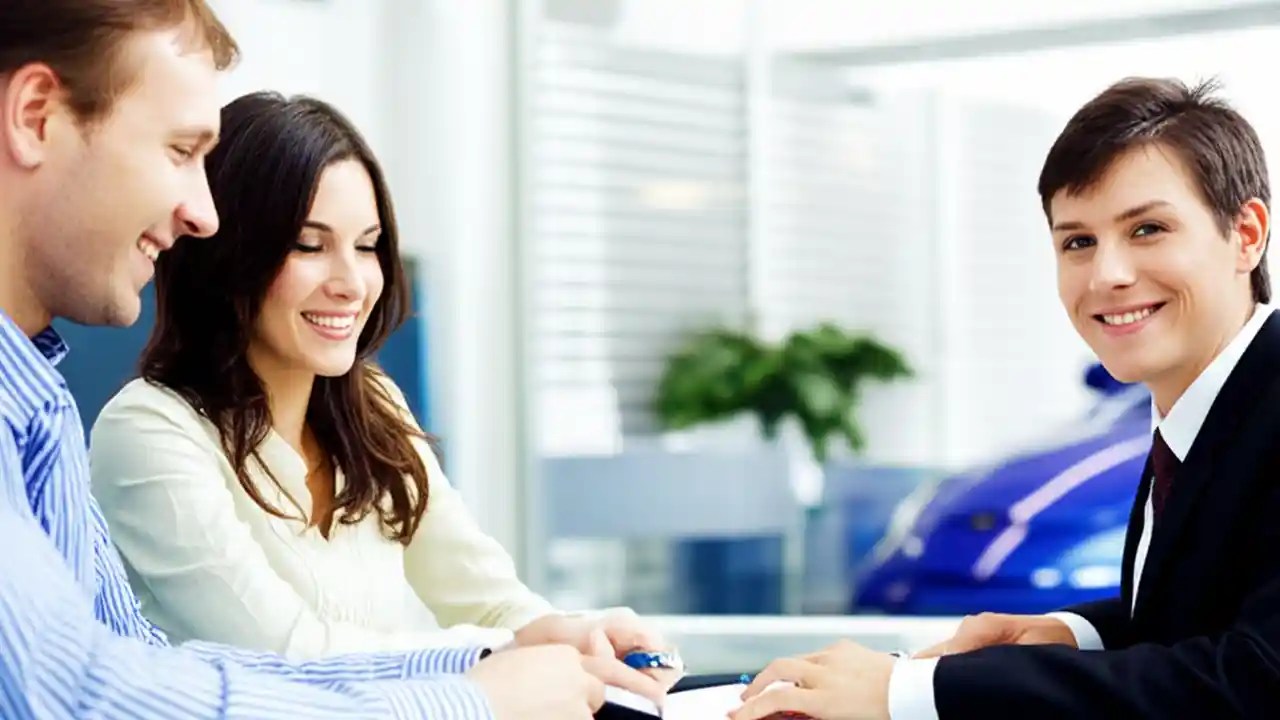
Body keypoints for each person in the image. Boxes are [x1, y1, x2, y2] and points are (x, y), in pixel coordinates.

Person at [0, 2, 643, 718]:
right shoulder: (144, 426)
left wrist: (546, 644)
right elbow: (140, 683)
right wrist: (477, 689)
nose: (199, 214)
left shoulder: (40, 401)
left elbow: (142, 659)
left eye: (368, 244)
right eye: (309, 244)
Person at [730, 77, 1280, 720]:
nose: (1108, 275)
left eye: (1149, 229)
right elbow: (1214, 606)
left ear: (1246, 234)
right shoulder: (1199, 415)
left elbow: (1256, 678)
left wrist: (909, 692)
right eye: (1078, 241)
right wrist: (1073, 633)